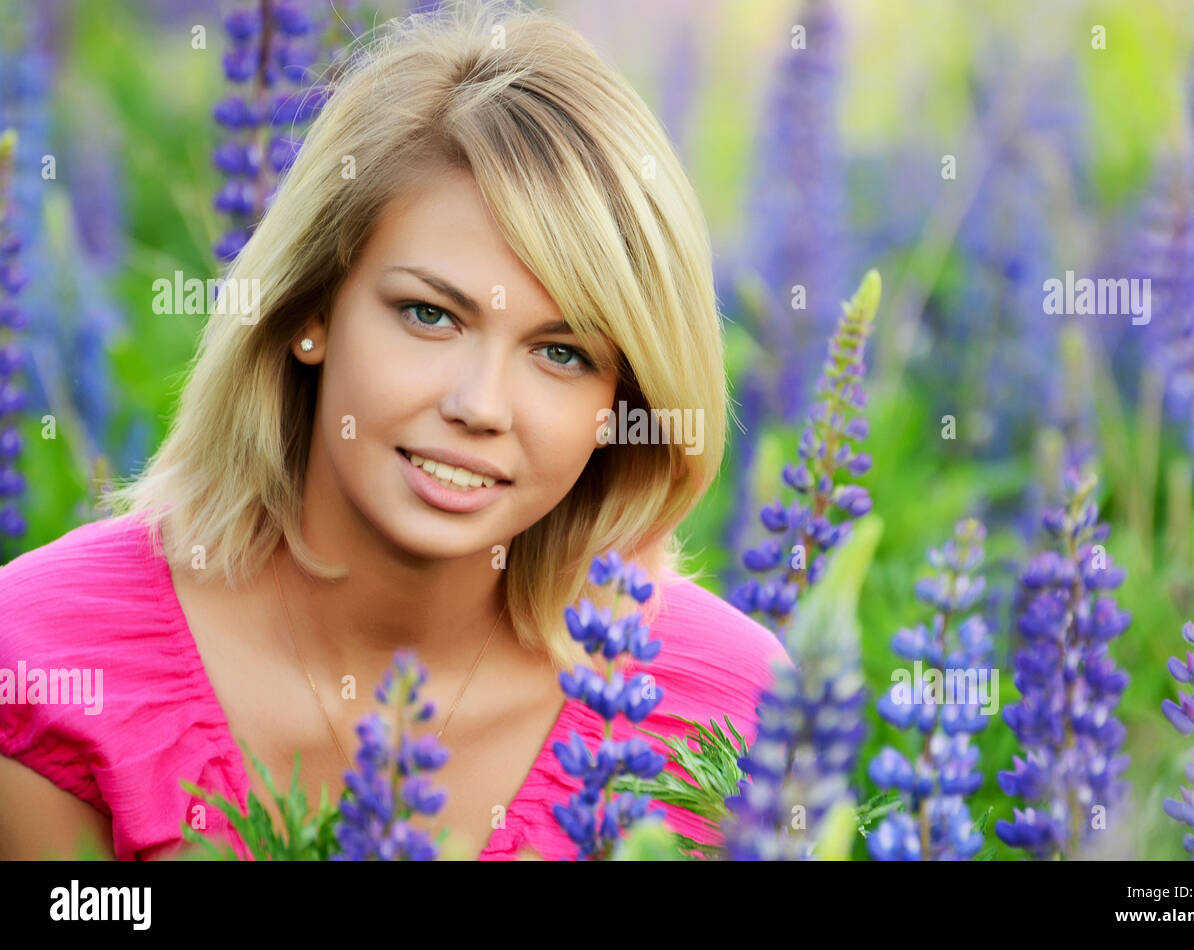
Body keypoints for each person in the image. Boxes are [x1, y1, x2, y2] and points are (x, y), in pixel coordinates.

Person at [0, 0, 791, 860]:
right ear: (312, 311)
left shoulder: (727, 708)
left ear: (618, 406)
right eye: (428, 314)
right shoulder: (52, 662)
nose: (481, 405)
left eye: (561, 354)